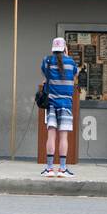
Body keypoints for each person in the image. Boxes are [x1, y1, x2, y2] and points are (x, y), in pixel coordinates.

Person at [40, 38, 78, 177]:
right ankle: (62, 169)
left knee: (51, 135)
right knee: (63, 137)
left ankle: (49, 168)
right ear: (65, 48)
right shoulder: (71, 62)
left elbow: (45, 74)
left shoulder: (47, 60)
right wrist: (67, 56)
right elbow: (74, 74)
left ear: (53, 49)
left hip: (51, 103)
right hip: (66, 104)